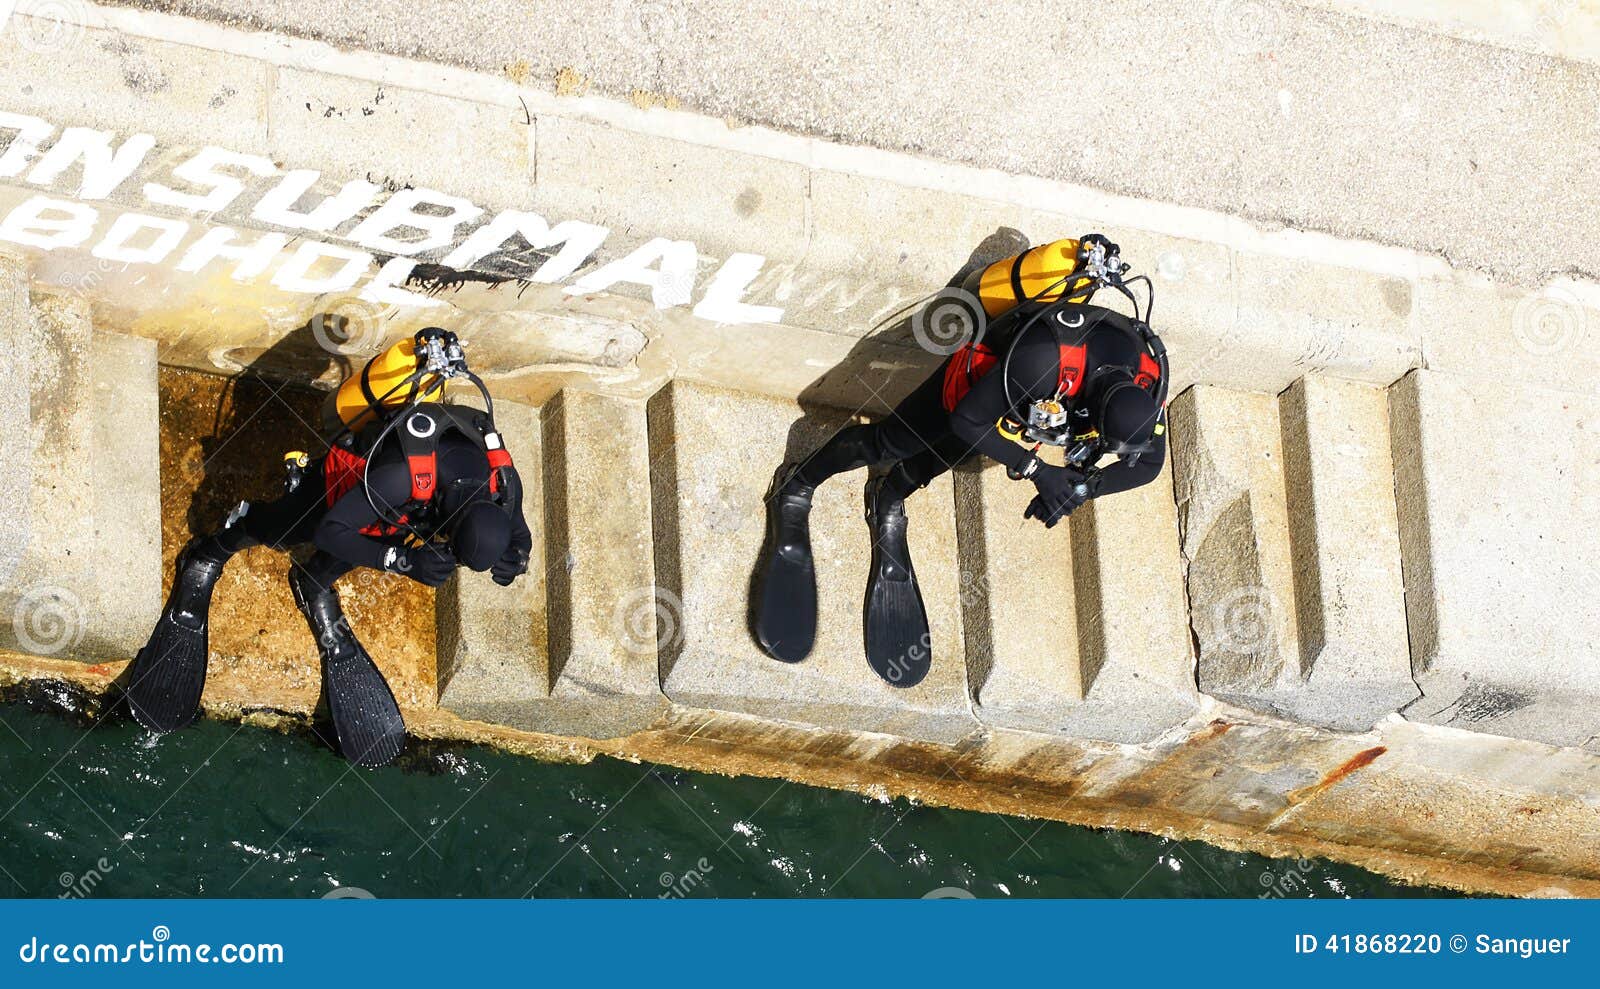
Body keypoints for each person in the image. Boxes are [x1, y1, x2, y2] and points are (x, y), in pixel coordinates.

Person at [755, 235, 1168, 688]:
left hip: (1016, 410)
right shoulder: (1044, 363)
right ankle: (798, 484)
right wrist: (1039, 471)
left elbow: (1148, 466)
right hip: (983, 384)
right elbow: (967, 420)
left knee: (944, 456)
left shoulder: (1148, 380)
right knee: (892, 443)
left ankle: (888, 498)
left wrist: (1081, 488)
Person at [124, 327, 532, 767]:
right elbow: (331, 532)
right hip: (341, 490)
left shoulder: (501, 486)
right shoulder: (400, 477)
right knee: (284, 529)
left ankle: (313, 583)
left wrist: (518, 553)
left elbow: (519, 528)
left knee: (378, 536)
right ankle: (208, 554)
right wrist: (403, 561)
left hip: (393, 511)